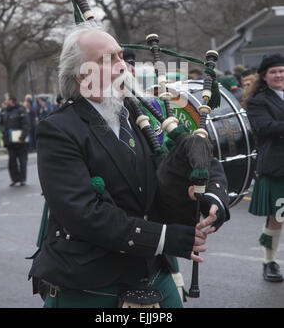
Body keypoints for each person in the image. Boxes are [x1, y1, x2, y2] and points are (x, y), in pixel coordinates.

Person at [29, 23, 229, 308]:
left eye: (121, 56)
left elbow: (197, 155)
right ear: (81, 75)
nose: (124, 66)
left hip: (153, 275)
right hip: (92, 284)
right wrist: (163, 237)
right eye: (108, 60)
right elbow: (83, 214)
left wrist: (213, 195)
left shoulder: (143, 114)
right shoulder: (59, 130)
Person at [246, 53, 284, 282]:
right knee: (277, 217)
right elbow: (263, 127)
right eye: (273, 72)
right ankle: (269, 261)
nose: (279, 75)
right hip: (277, 166)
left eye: (281, 70)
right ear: (264, 76)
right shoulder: (258, 100)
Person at [1, 96, 29, 186]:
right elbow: (2, 124)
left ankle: (22, 179)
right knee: (12, 162)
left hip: (20, 141)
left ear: (11, 101)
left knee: (22, 161)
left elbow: (25, 124)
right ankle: (14, 179)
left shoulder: (20, 110)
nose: (5, 101)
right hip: (10, 141)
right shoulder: (6, 111)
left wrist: (22, 137)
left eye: (7, 100)